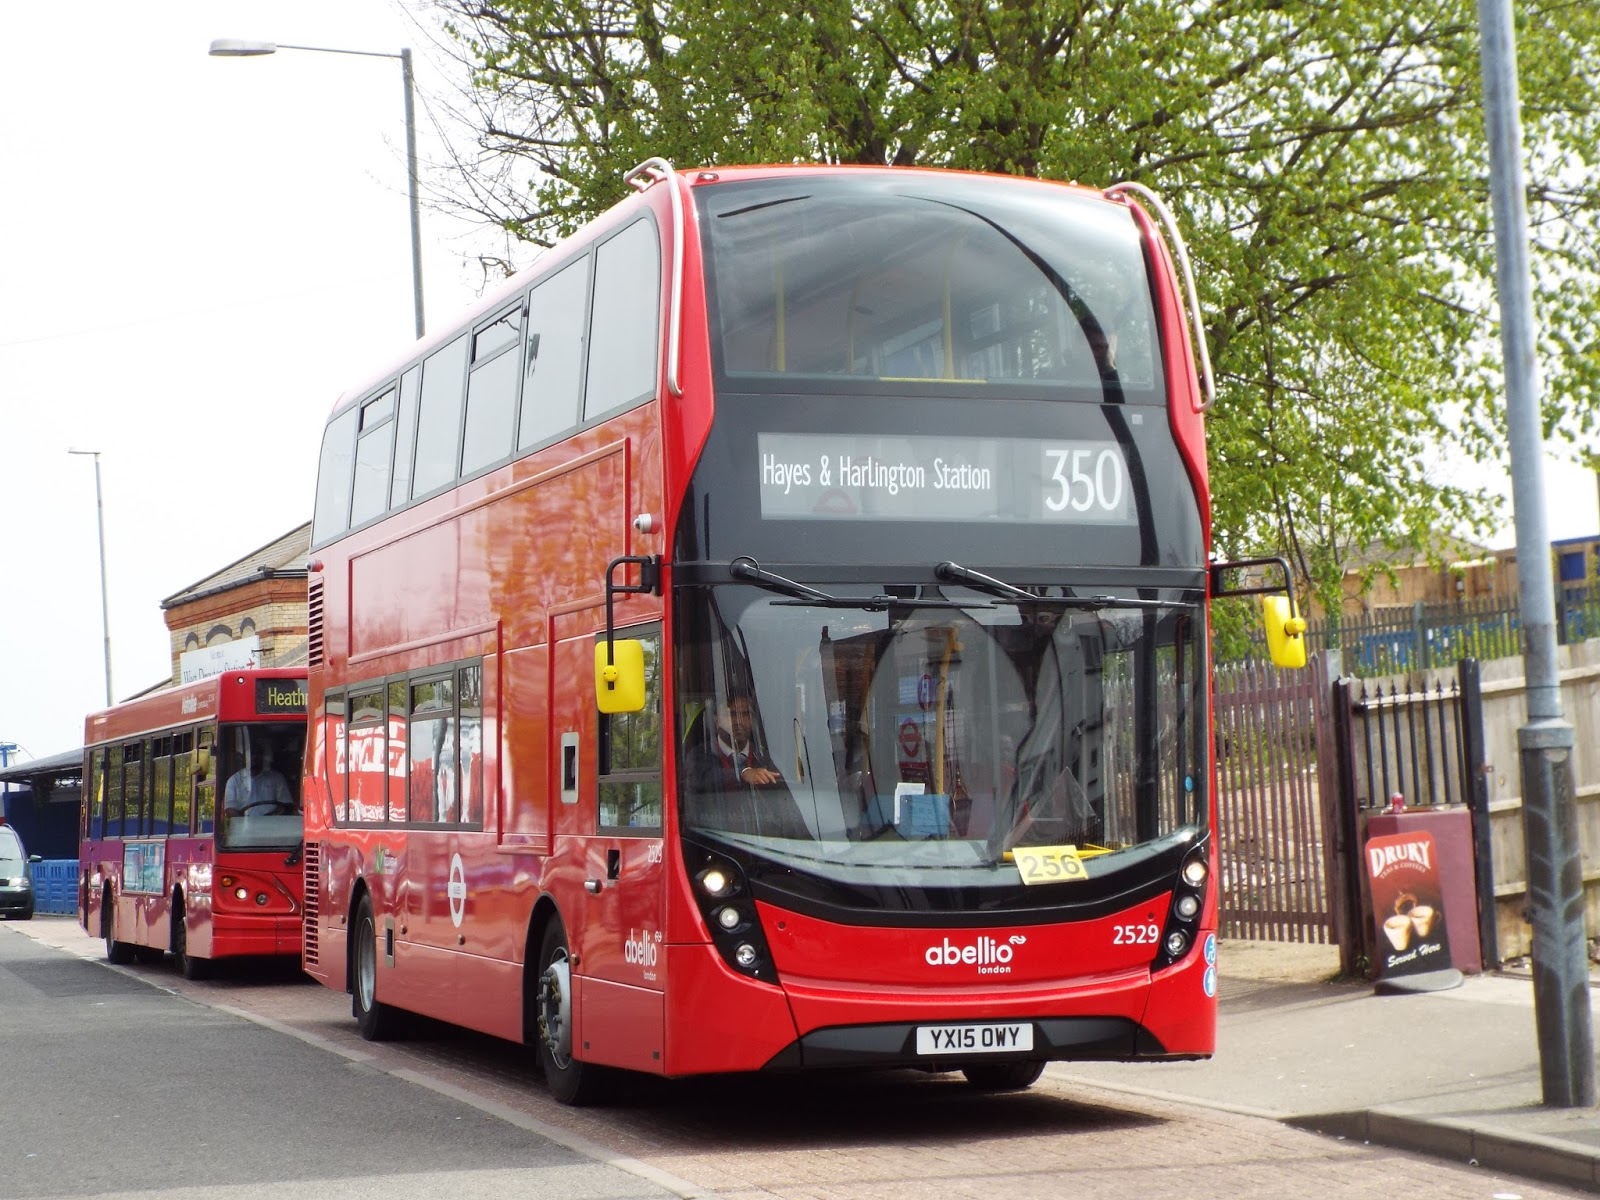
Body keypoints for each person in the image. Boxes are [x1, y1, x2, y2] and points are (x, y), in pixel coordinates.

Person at [682, 689, 809, 838]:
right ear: (716, 721)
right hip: (714, 841)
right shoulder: (700, 754)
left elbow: (787, 805)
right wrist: (742, 774)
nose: (739, 721)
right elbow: (701, 778)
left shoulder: (764, 758)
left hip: (761, 842)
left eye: (745, 714)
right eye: (731, 714)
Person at [224, 736, 294, 815]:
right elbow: (229, 809)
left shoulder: (276, 778)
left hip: (272, 821)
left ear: (263, 756)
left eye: (258, 753)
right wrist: (241, 819)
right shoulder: (234, 780)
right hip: (245, 822)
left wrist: (271, 817)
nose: (254, 757)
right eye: (251, 754)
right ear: (245, 757)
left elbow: (285, 805)